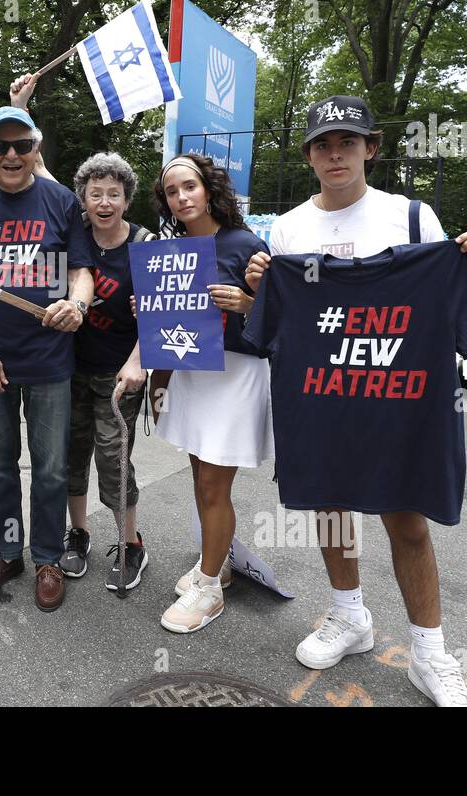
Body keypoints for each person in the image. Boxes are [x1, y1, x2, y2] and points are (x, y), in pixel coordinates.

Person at [244, 94, 467, 706]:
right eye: (323, 144)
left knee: (406, 519)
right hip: (322, 397)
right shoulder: (289, 229)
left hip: (399, 397)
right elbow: (281, 323)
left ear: (371, 149)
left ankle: (431, 653)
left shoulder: (413, 218)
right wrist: (262, 289)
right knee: (331, 509)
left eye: (348, 142)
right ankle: (348, 615)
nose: (336, 154)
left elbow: (450, 314)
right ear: (309, 155)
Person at [0, 106, 94, 613]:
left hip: (50, 359)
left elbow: (82, 272)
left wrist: (77, 304)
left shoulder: (61, 200)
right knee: (0, 466)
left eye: (21, 145)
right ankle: (5, 552)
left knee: (50, 469)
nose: (11, 154)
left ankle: (48, 557)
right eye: (0, 146)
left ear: (35, 150)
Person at [149, 153, 272, 632]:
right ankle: (215, 561)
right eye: (172, 192)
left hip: (236, 375)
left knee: (212, 486)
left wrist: (247, 302)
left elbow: (282, 318)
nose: (182, 198)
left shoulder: (246, 243)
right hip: (193, 373)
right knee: (200, 475)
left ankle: (209, 589)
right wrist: (150, 303)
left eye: (190, 187)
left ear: (209, 188)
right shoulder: (171, 249)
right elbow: (169, 317)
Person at [61, 152, 152, 592]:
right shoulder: (73, 236)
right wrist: (21, 106)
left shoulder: (145, 244)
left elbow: (165, 313)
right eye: (95, 193)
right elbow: (35, 167)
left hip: (121, 374)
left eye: (113, 193)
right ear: (83, 199)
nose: (104, 201)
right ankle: (79, 533)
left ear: (127, 201)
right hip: (71, 369)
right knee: (70, 456)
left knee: (113, 458)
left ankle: (130, 542)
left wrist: (138, 362)